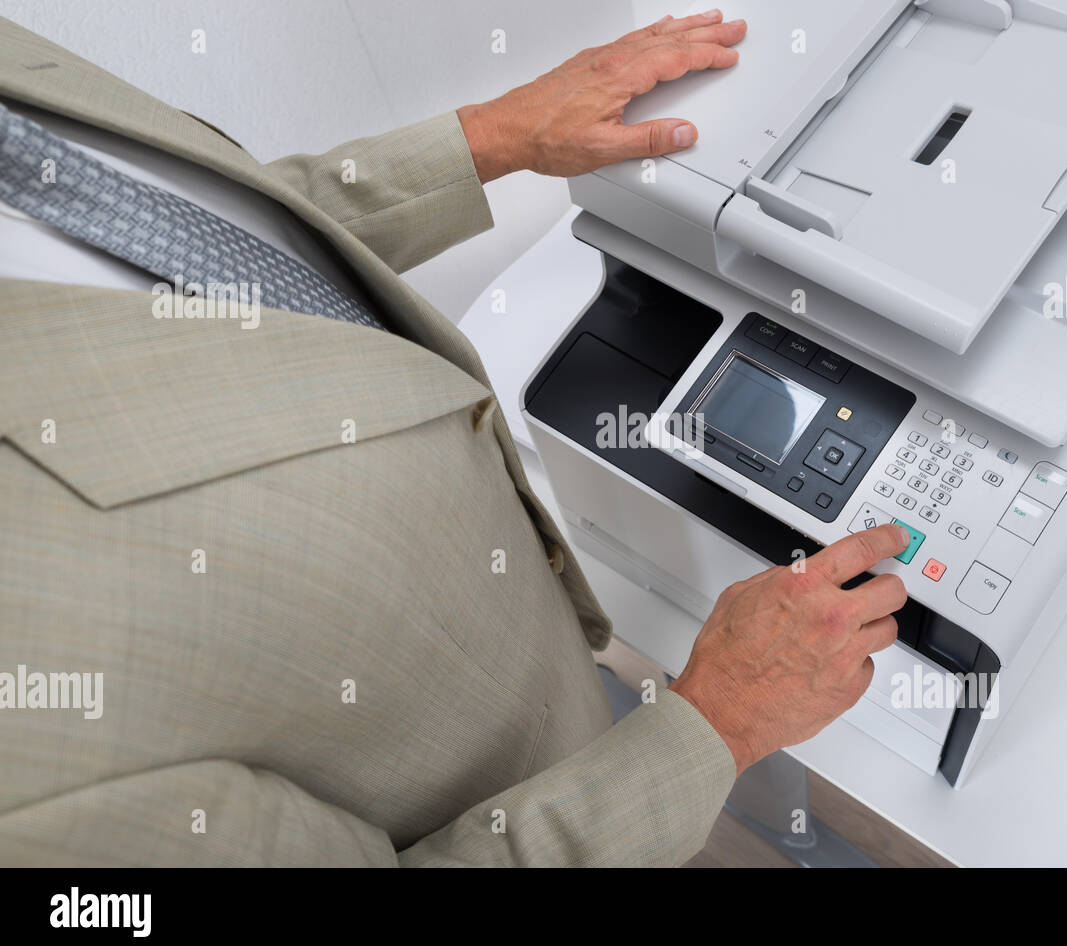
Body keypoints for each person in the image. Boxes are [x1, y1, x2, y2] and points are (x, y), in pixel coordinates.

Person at [0, 10, 908, 866]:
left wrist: (489, 137)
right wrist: (723, 720)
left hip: (528, 628)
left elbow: (181, 227)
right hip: (483, 760)